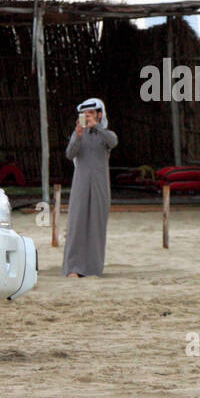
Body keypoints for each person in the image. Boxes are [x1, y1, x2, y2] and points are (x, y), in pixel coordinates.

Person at [61, 97, 117, 277]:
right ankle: (73, 268)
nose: (88, 116)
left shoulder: (105, 134)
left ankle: (93, 269)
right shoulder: (79, 133)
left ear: (100, 115)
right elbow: (70, 154)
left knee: (97, 225)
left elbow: (113, 142)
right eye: (85, 114)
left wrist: (97, 127)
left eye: (91, 113)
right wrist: (77, 135)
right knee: (77, 224)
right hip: (81, 183)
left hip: (100, 184)